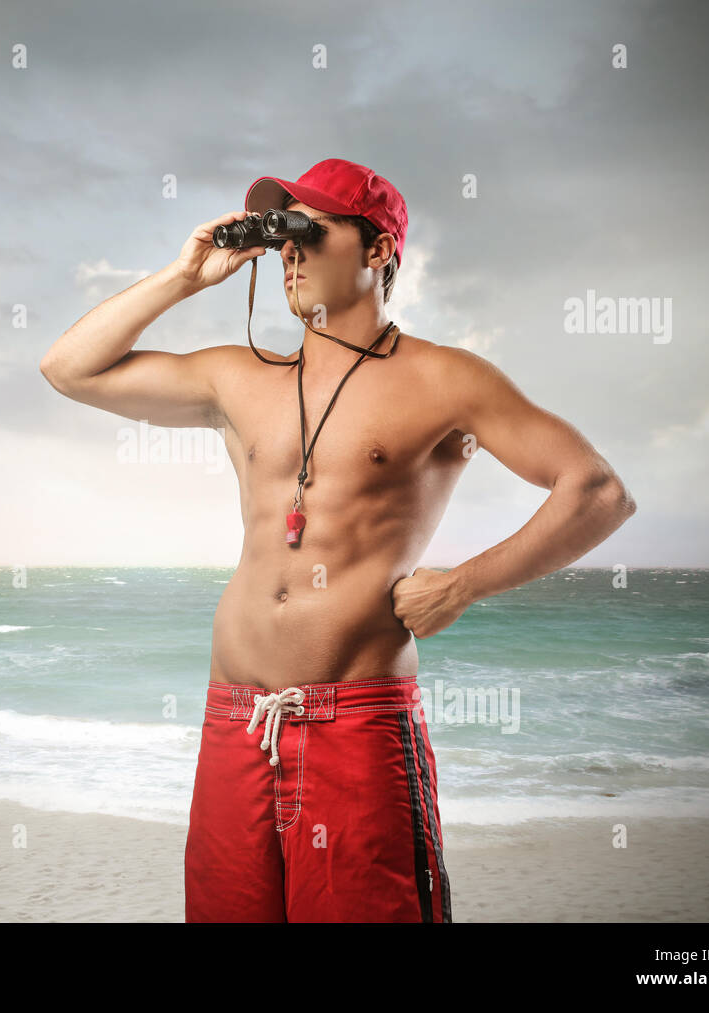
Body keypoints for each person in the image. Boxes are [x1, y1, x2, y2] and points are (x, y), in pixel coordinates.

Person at [38, 158, 637, 922]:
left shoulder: (444, 378)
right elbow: (67, 368)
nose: (289, 250)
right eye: (282, 235)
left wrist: (462, 585)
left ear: (379, 250)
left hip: (357, 725)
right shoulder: (237, 377)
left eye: (308, 231)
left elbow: (596, 489)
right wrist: (186, 276)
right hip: (236, 724)